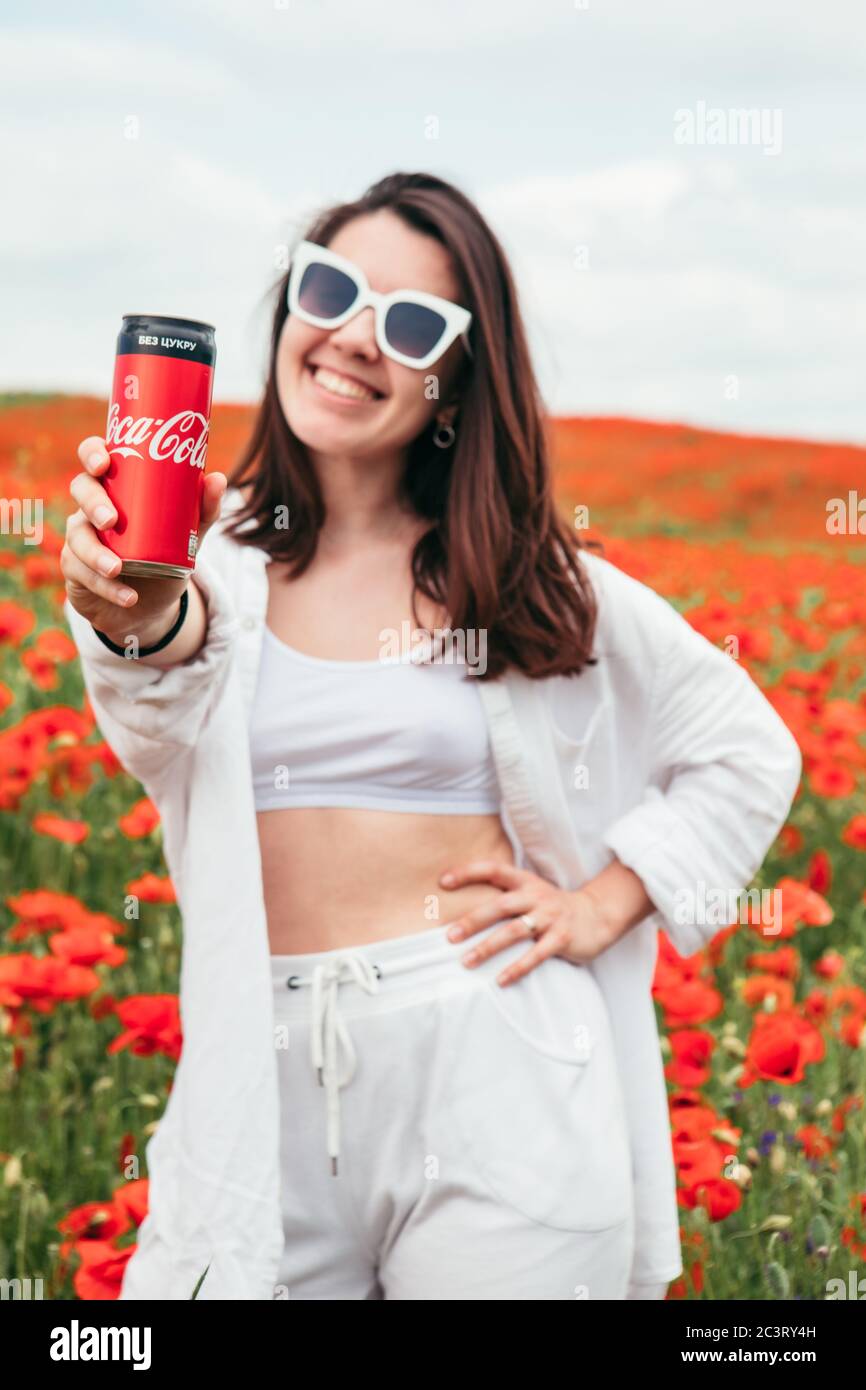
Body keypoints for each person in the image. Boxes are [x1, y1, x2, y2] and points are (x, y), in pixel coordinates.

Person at [62, 171, 802, 1301]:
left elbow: (747, 749)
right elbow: (161, 681)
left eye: (410, 324)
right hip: (256, 1083)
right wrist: (134, 617)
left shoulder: (526, 582)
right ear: (289, 309)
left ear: (454, 379)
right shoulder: (200, 563)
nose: (355, 337)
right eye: (332, 288)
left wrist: (602, 902)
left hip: (492, 1060)